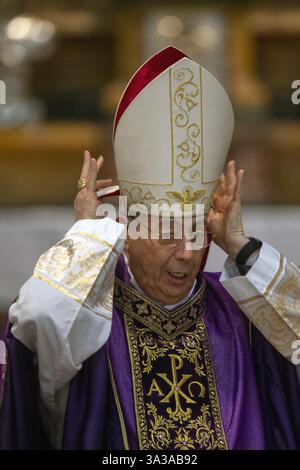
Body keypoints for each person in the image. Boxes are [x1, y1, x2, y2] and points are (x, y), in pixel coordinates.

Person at [1, 47, 300, 450]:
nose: (186, 254)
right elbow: (39, 317)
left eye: (198, 233)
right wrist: (87, 234)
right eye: (166, 235)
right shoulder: (91, 318)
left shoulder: (240, 311)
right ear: (126, 228)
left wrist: (241, 248)